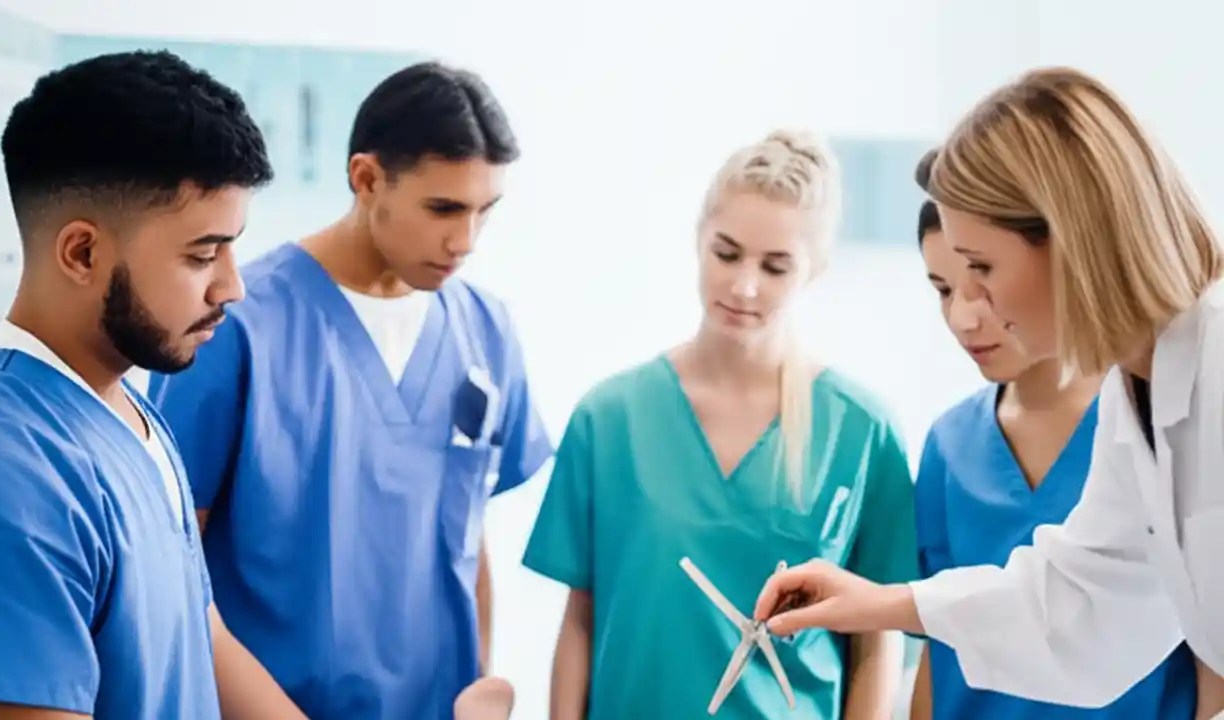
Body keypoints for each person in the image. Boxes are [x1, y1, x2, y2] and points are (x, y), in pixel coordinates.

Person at [753, 66, 1224, 716]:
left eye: (982, 267)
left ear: (1071, 239)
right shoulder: (1135, 396)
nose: (973, 307)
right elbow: (1080, 605)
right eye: (948, 284)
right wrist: (880, 603)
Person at [147, 60, 554, 719]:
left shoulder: (487, 331)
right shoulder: (234, 326)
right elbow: (168, 570)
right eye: (443, 208)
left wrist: (477, 689)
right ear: (365, 178)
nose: (466, 241)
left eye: (485, 211)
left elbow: (467, 542)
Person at [0, 51, 306, 719]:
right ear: (82, 253)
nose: (232, 287)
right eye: (203, 255)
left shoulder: (125, 412)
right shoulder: (1, 472)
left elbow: (203, 640)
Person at [521, 130, 918, 719]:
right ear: (698, 240)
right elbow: (581, 618)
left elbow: (876, 642)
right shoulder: (609, 419)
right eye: (726, 254)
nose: (743, 285)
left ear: (815, 270)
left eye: (776, 267)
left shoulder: (861, 432)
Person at [907, 197, 1200, 719]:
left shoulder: (1151, 414)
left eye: (984, 278)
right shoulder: (949, 443)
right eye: (943, 290)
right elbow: (938, 636)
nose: (963, 317)